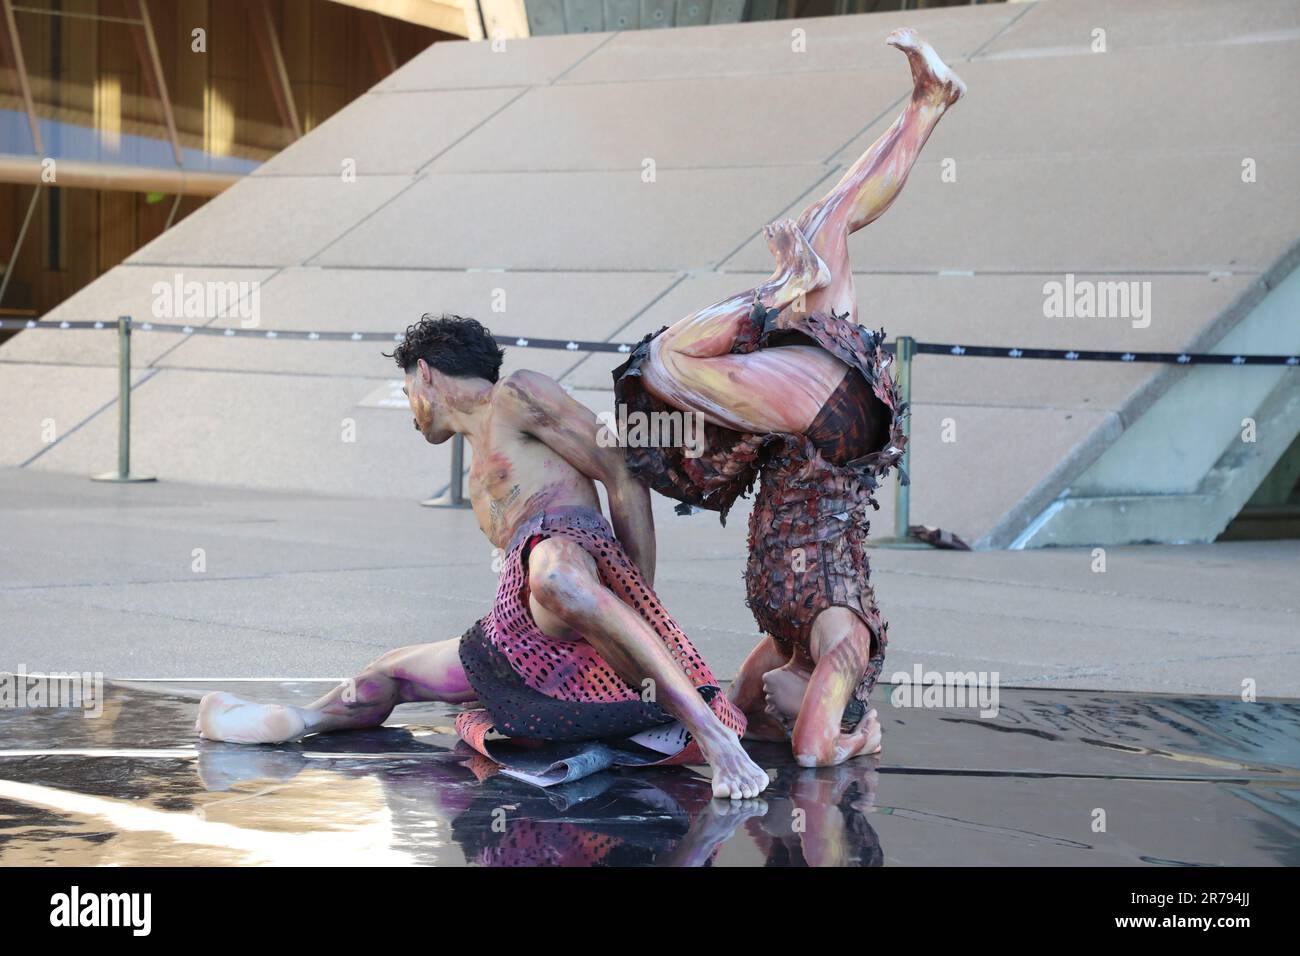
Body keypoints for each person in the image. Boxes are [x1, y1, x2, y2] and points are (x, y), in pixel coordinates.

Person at [197, 315, 767, 800]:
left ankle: (711, 734)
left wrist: (638, 591)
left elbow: (620, 470)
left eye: (406, 393)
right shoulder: (475, 469)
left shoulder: (516, 394)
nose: (411, 410)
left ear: (425, 374)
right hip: (520, 619)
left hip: (571, 559)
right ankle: (295, 719)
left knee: (556, 571)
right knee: (389, 669)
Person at [612, 28, 965, 768]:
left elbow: (719, 730)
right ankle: (783, 287)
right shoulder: (840, 647)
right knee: (669, 364)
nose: (773, 701)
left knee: (822, 225)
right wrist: (852, 734)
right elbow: (811, 753)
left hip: (819, 425)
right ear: (834, 700)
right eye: (801, 706)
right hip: (833, 424)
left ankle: (929, 105)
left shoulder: (781, 647)